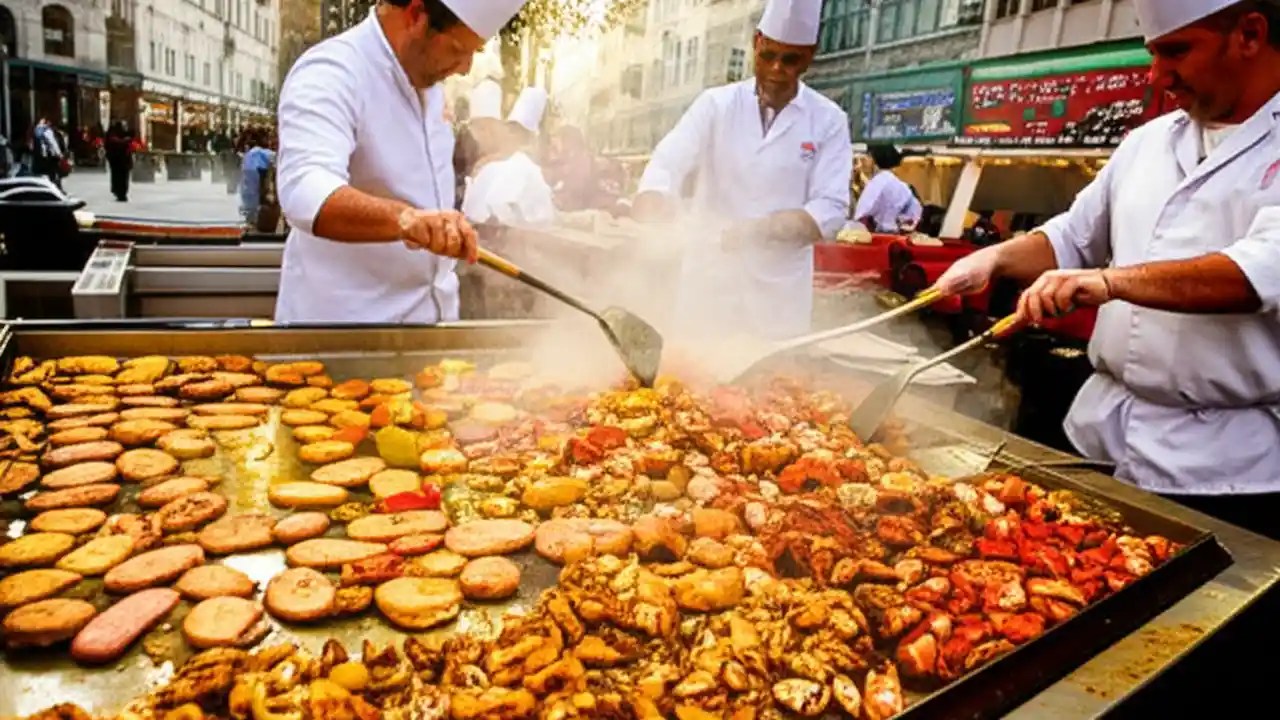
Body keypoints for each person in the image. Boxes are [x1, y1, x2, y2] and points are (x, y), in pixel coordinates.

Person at [933, 0, 1280, 538]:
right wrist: (995, 258)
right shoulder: (1147, 142)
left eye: (1176, 51)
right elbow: (1073, 235)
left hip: (1225, 471)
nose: (1157, 75)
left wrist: (1107, 282)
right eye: (1153, 53)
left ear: (1251, 34)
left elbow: (1256, 270)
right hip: (1097, 437)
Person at [274, 0, 528, 324]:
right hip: (344, 335)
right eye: (456, 48)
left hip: (430, 334)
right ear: (415, 15)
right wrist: (406, 219)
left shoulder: (428, 82)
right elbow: (305, 190)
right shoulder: (332, 71)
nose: (465, 67)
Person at [632, 0, 853, 340]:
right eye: (768, 56)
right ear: (755, 44)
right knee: (690, 385)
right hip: (709, 285)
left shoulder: (829, 120)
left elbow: (831, 208)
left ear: (809, 56)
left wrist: (763, 229)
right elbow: (669, 160)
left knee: (774, 388)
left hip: (778, 297)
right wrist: (655, 198)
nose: (777, 69)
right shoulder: (715, 105)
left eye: (790, 59)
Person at [461, 86, 557, 228]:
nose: (478, 137)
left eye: (483, 128)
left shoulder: (522, 168)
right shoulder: (485, 169)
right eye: (476, 129)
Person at [854, 143, 922, 233]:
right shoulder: (903, 186)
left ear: (872, 159)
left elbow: (861, 218)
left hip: (876, 237)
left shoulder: (876, 184)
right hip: (899, 236)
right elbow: (916, 213)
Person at [240, 127, 277, 226]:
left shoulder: (249, 153)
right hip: (258, 175)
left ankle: (251, 220)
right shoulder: (262, 152)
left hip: (248, 180)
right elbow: (277, 159)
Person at [104, 120, 134, 202]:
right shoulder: (113, 136)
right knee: (118, 178)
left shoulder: (124, 136)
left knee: (123, 178)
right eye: (124, 126)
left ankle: (121, 193)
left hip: (123, 162)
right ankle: (119, 193)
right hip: (117, 162)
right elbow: (112, 144)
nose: (125, 128)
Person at [32, 118, 63, 189]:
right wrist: (59, 154)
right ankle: (55, 188)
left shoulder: (35, 130)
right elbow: (52, 143)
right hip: (49, 156)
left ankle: (41, 187)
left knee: (41, 173)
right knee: (53, 173)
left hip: (39, 156)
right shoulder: (47, 130)